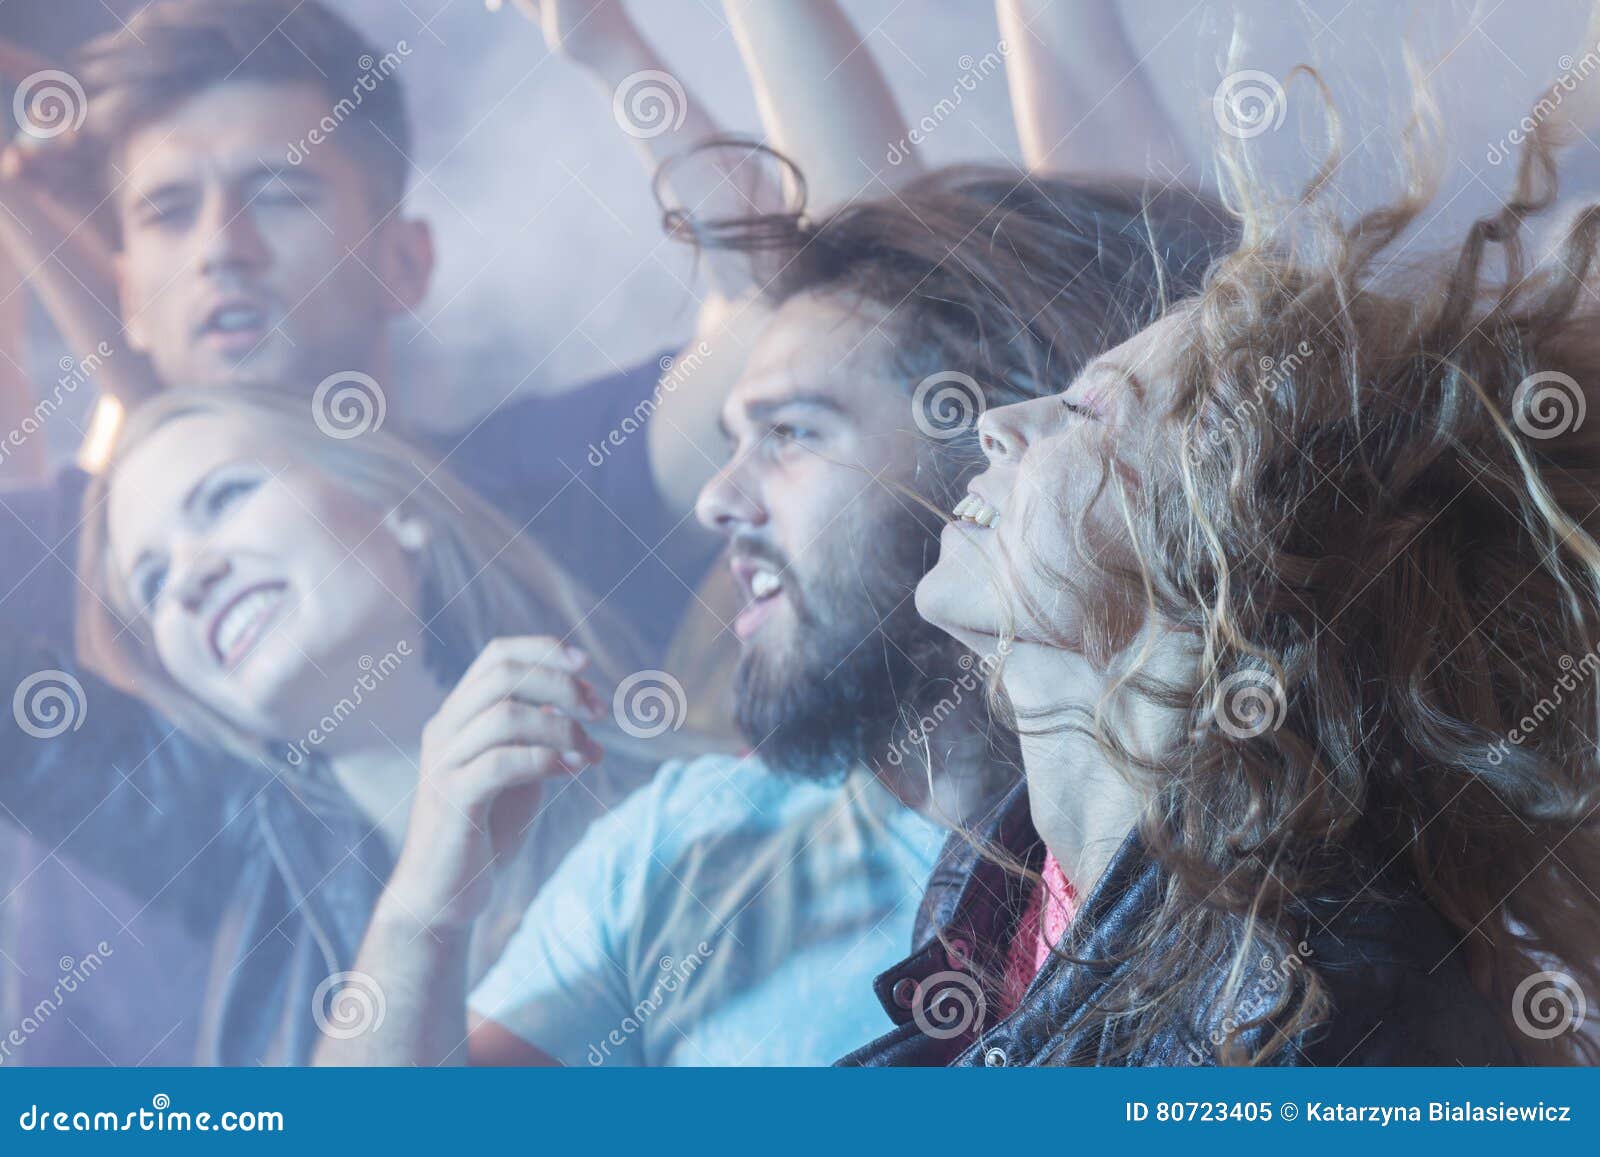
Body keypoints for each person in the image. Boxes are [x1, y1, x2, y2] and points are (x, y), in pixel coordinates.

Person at [317, 164, 1234, 1066]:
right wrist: (422, 914)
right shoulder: (682, 845)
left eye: (791, 431)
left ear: (994, 434)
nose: (718, 497)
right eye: (733, 442)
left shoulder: (1249, 825)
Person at [845, 74, 1600, 1068]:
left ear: (1225, 556)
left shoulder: (1326, 1025)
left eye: (1084, 413)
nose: (995, 423)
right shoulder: (1003, 893)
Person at [1, 386, 680, 1065]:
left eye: (225, 497)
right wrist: (418, 918)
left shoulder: (694, 804)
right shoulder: (239, 856)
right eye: (151, 584)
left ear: (400, 510)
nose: (187, 579)